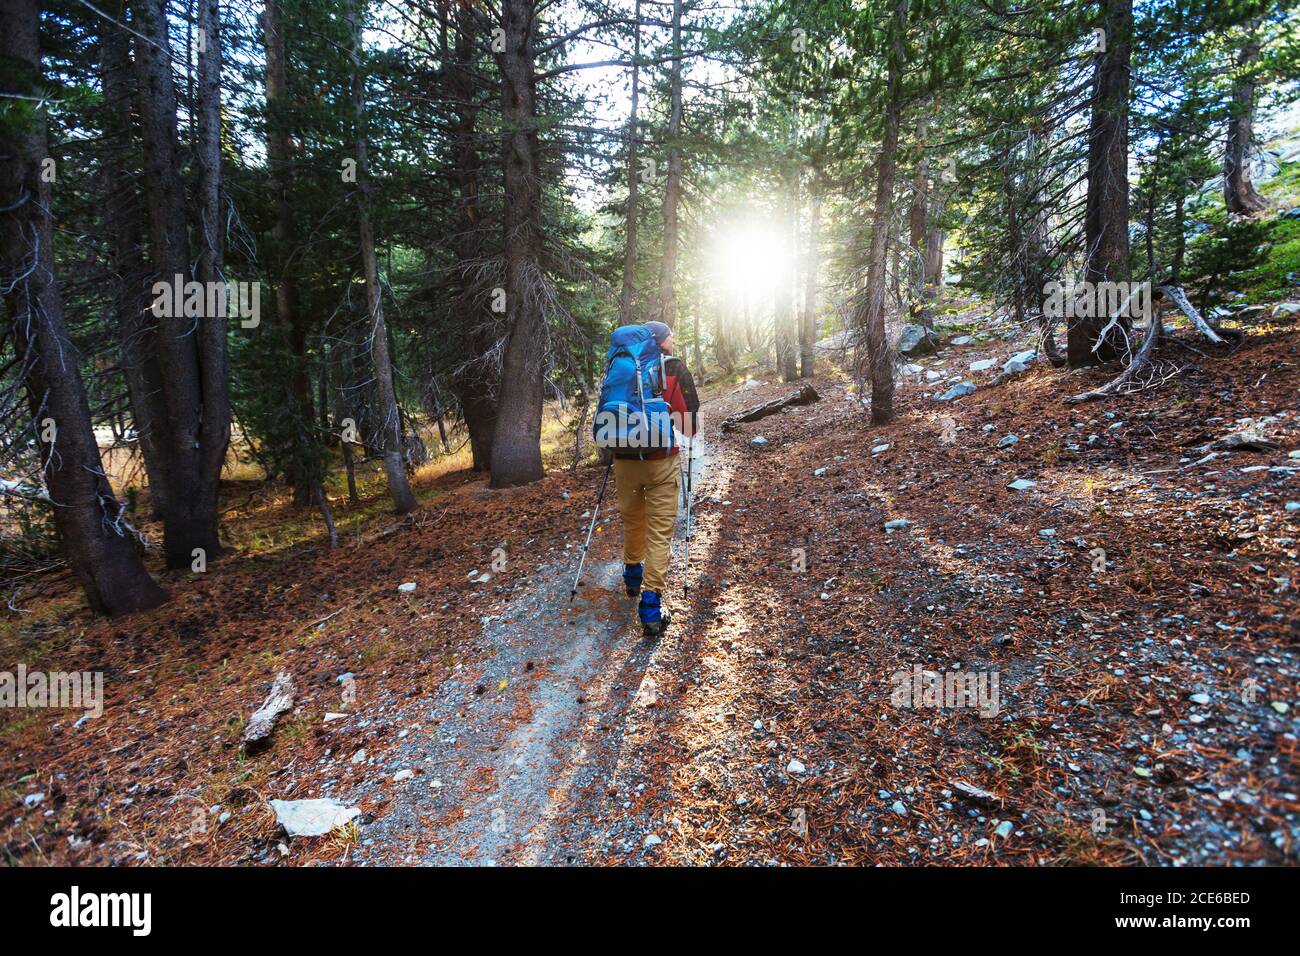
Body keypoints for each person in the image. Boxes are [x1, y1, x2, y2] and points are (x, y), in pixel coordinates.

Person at [611, 320, 699, 636]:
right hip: (661, 461)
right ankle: (650, 605)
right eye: (671, 334)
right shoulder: (673, 367)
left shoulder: (619, 364)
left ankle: (632, 578)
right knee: (660, 531)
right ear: (661, 340)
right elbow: (690, 425)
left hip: (623, 459)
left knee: (633, 521)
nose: (674, 338)